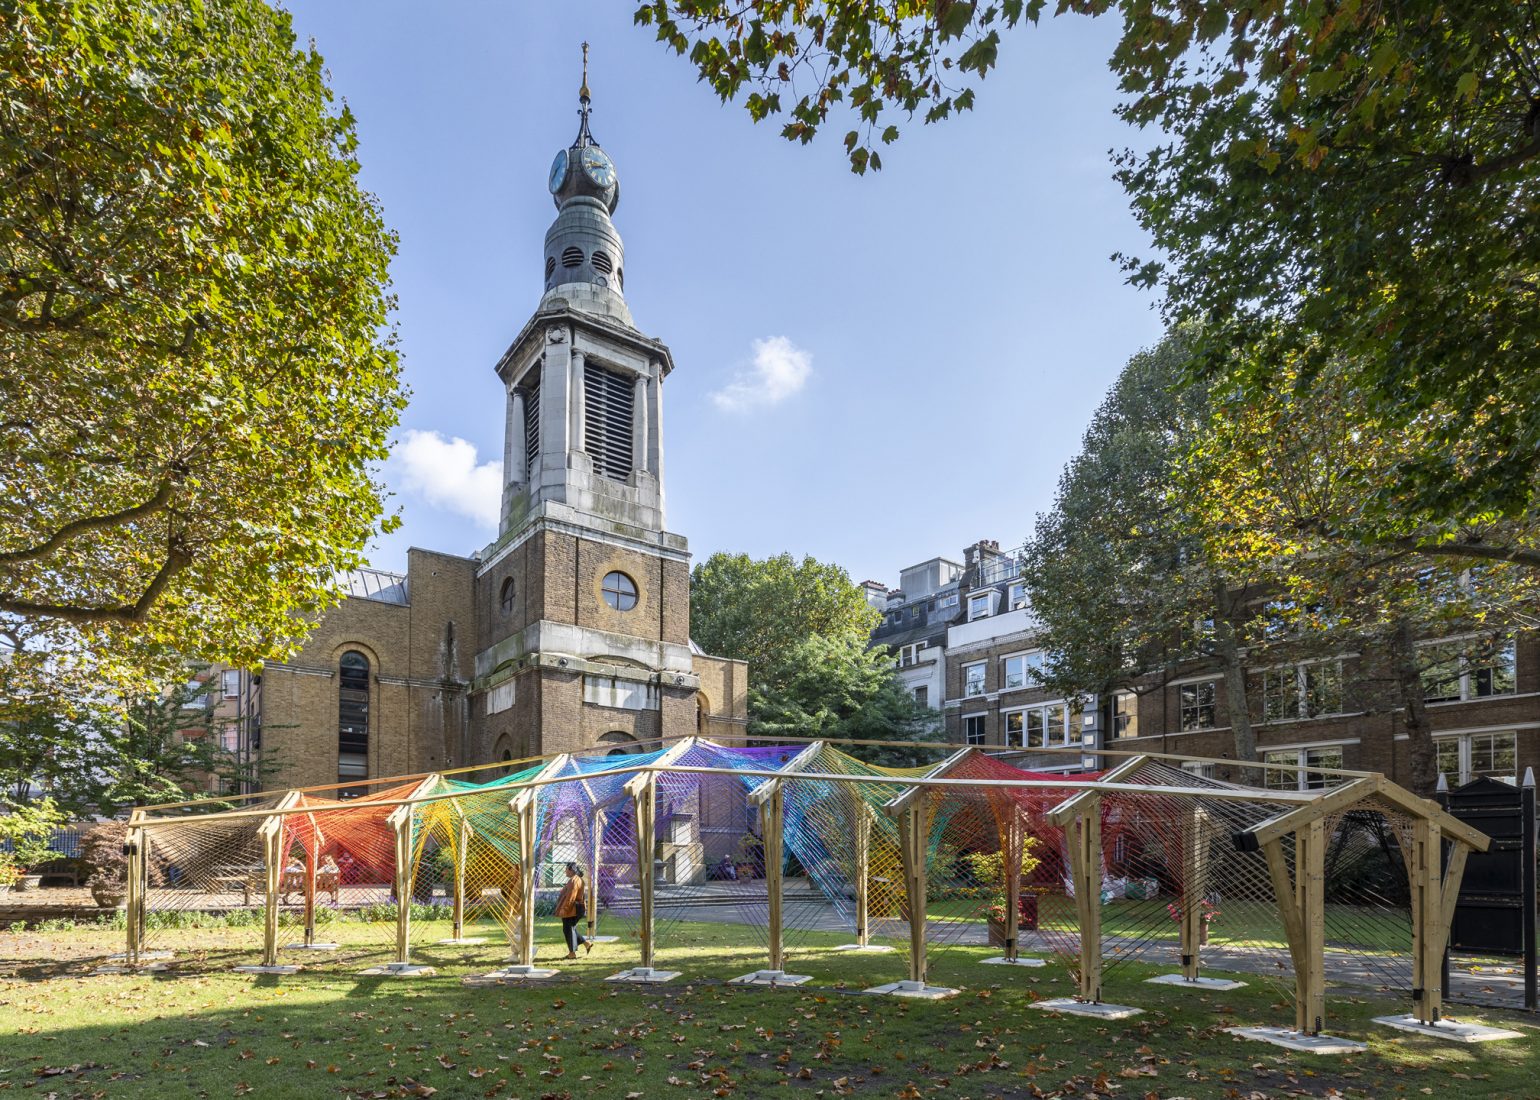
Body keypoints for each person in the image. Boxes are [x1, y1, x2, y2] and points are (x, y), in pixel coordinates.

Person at [554, 862, 592, 959]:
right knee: (571, 929)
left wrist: (564, 909)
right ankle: (586, 943)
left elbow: (571, 896)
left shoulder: (574, 880)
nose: (565, 871)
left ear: (571, 870)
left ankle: (572, 953)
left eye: (566, 869)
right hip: (575, 908)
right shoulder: (575, 879)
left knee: (568, 930)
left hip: (573, 909)